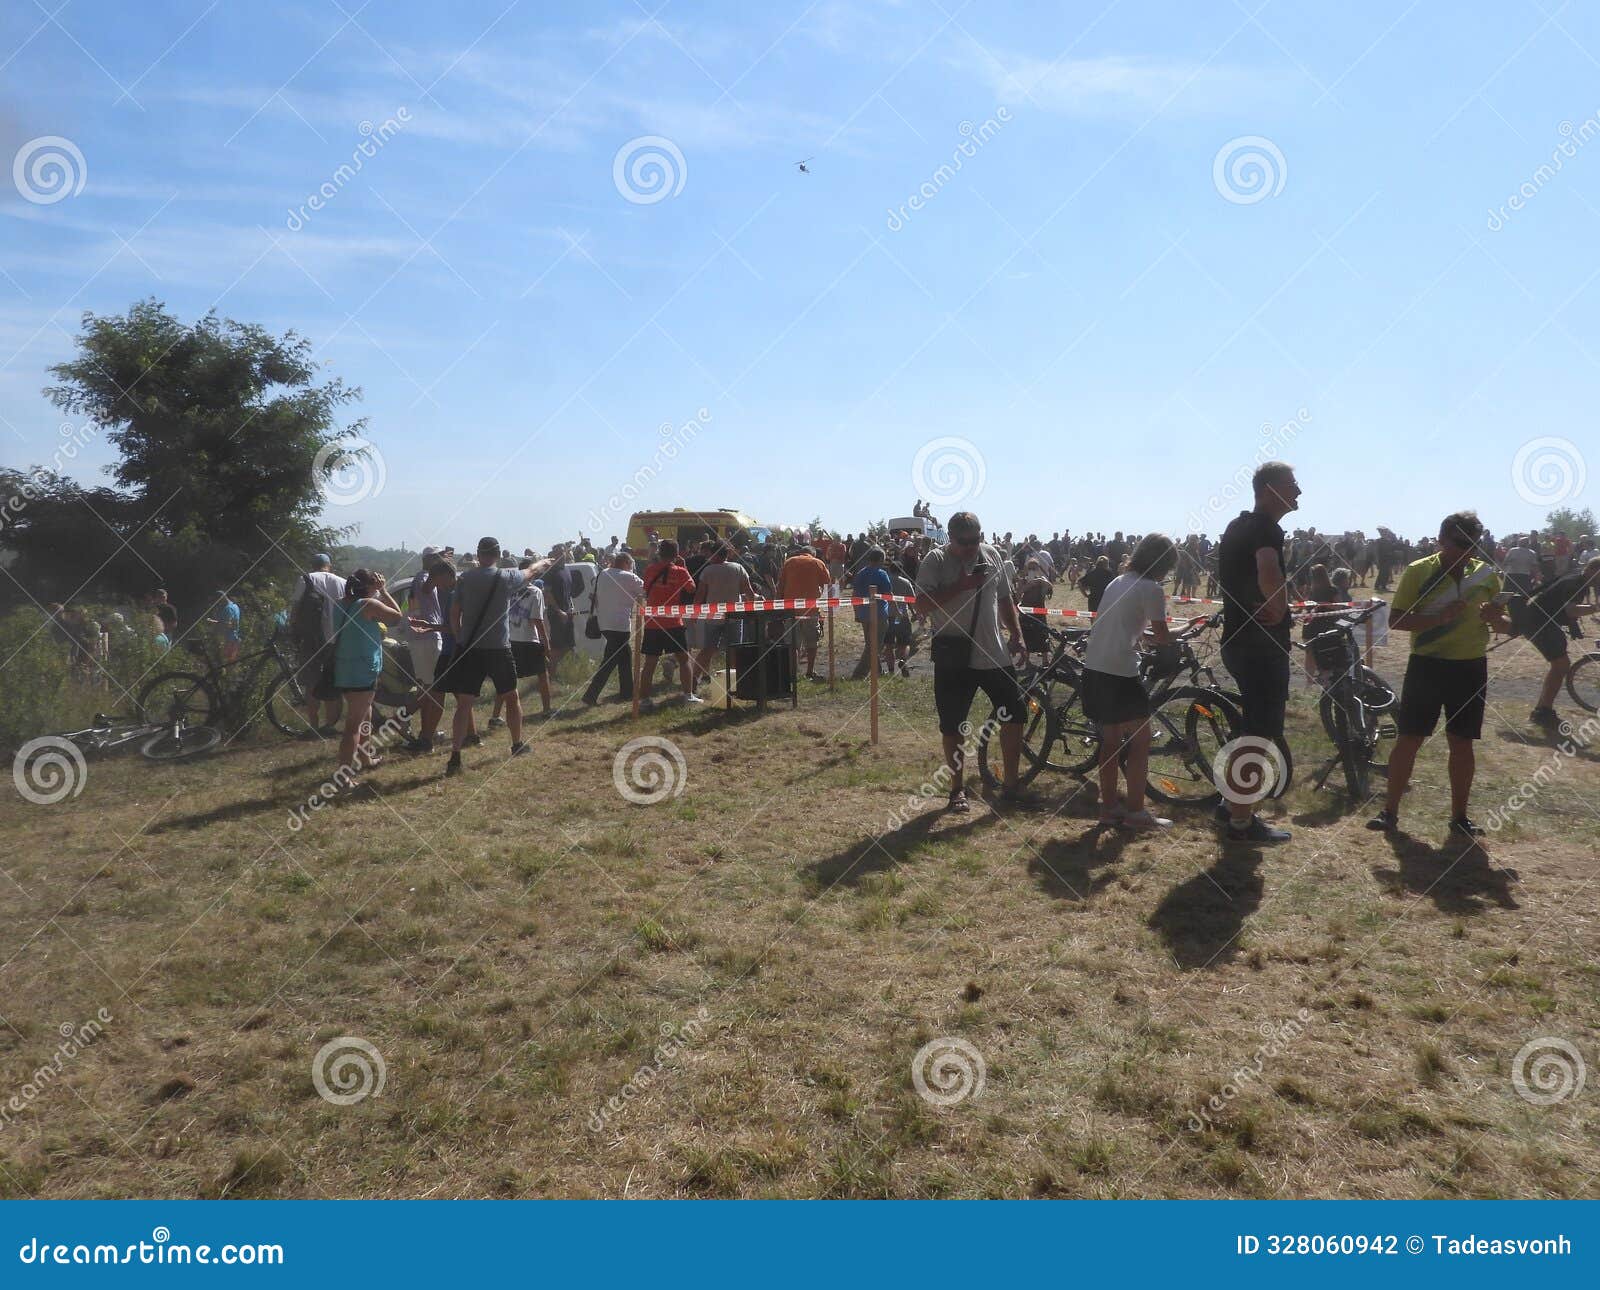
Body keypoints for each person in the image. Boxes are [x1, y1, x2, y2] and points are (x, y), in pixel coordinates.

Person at [1369, 511, 1507, 837]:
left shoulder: (1487, 576)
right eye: (1462, 543)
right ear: (1442, 539)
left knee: (1462, 742)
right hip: (1427, 664)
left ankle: (1459, 817)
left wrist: (1495, 618)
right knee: (1410, 738)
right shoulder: (1419, 571)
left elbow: (1507, 626)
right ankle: (1389, 812)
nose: (1469, 550)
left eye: (1474, 543)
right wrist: (1439, 619)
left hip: (1470, 666)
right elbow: (1396, 620)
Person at [914, 511, 1027, 812]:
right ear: (950, 538)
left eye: (975, 540)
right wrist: (960, 585)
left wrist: (1017, 635)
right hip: (954, 656)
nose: (970, 547)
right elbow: (922, 604)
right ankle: (956, 791)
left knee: (1015, 715)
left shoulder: (993, 555)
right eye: (963, 542)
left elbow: (1004, 600)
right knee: (953, 726)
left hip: (994, 654)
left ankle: (1012, 787)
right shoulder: (935, 561)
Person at [1216, 461, 1302, 844]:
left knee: (1253, 730)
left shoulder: (1237, 526)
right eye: (1292, 485)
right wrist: (1280, 605)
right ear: (1269, 490)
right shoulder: (1267, 529)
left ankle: (1229, 806)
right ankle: (1240, 822)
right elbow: (1267, 568)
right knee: (1258, 736)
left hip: (1238, 640)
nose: (1299, 492)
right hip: (1260, 647)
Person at [1081, 535, 1178, 829]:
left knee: (1110, 744)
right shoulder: (1152, 588)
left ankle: (1109, 809)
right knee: (1141, 740)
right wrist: (1188, 633)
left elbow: (1131, 630)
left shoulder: (1120, 581)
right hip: (1121, 672)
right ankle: (1136, 812)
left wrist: (1182, 628)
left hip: (1096, 667)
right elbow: (1161, 637)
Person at [442, 537, 547, 775]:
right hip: (499, 647)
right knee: (511, 696)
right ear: (498, 555)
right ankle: (517, 744)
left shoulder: (465, 579)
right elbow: (530, 572)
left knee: (464, 703)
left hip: (470, 648)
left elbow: (454, 612)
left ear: (478, 555)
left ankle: (455, 756)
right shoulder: (506, 577)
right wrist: (544, 562)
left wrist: (461, 638)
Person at [330, 569, 405, 788]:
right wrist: (382, 591)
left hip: (344, 668)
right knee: (353, 724)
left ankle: (365, 757)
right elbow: (397, 616)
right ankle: (343, 776)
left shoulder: (339, 603)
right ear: (369, 585)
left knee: (366, 715)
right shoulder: (368, 605)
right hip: (362, 670)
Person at [1526, 556, 1600, 727]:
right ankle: (1542, 711)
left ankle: (1543, 709)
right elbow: (1571, 610)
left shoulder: (1578, 578)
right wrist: (1596, 608)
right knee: (1561, 665)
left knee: (1562, 664)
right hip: (1539, 621)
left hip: (1542, 619)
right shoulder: (1575, 583)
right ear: (1592, 570)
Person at [291, 554, 348, 736]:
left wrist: (293, 631)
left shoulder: (305, 579)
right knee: (332, 683)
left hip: (312, 639)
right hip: (338, 640)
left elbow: (295, 610)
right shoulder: (343, 582)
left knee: (311, 683)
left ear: (313, 565)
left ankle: (314, 726)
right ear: (329, 566)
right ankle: (329, 726)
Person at [638, 539, 698, 709]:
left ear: (659, 552)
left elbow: (646, 587)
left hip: (652, 622)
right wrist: (684, 566)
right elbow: (691, 588)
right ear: (676, 554)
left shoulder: (649, 570)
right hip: (673, 621)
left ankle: (644, 700)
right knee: (684, 659)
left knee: (649, 663)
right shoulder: (680, 571)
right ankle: (688, 695)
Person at [584, 552, 645, 705]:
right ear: (626, 563)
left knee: (624, 657)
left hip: (604, 623)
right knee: (610, 661)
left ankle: (626, 692)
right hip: (620, 625)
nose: (631, 568)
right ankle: (590, 695)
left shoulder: (601, 574)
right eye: (631, 565)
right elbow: (646, 591)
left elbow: (592, 596)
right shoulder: (629, 577)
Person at [495, 559, 552, 723]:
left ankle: (495, 715)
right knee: (542, 674)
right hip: (529, 640)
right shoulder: (535, 592)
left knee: (506, 679)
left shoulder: (508, 591)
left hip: (510, 639)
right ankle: (547, 710)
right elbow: (537, 620)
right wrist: (546, 643)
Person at [692, 542, 754, 688]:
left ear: (713, 554)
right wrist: (752, 608)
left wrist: (695, 613)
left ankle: (694, 678)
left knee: (708, 649)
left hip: (713, 616)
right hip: (734, 616)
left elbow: (700, 594)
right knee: (734, 649)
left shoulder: (708, 571)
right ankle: (735, 681)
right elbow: (748, 590)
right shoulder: (738, 568)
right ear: (727, 554)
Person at [777, 544, 832, 680]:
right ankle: (810, 671)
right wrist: (831, 607)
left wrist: (778, 607)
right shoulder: (818, 563)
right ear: (812, 554)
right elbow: (829, 587)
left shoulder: (788, 562)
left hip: (790, 610)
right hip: (811, 610)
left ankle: (792, 673)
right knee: (812, 642)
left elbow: (780, 586)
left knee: (793, 644)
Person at [850, 547, 893, 680]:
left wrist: (856, 612)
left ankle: (877, 671)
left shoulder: (861, 573)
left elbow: (854, 594)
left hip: (863, 613)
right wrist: (896, 609)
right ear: (881, 559)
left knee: (870, 644)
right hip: (878, 614)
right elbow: (888, 594)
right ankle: (859, 674)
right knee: (875, 646)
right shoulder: (882, 573)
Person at [1016, 558, 1053, 660]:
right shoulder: (1022, 580)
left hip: (1039, 610)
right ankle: (1027, 660)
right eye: (1030, 568)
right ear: (1027, 569)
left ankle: (1045, 660)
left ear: (1038, 569)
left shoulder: (1041, 580)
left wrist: (1041, 581)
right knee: (1028, 635)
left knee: (1042, 634)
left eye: (1034, 568)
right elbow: (1018, 594)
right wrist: (1029, 585)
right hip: (1026, 611)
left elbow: (1050, 588)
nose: (1032, 570)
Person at [210, 591, 241, 663]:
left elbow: (228, 624)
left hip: (228, 640)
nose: (218, 603)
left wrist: (213, 622)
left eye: (218, 601)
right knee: (229, 663)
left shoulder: (228, 609)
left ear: (221, 598)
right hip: (234, 639)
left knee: (223, 662)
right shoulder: (235, 606)